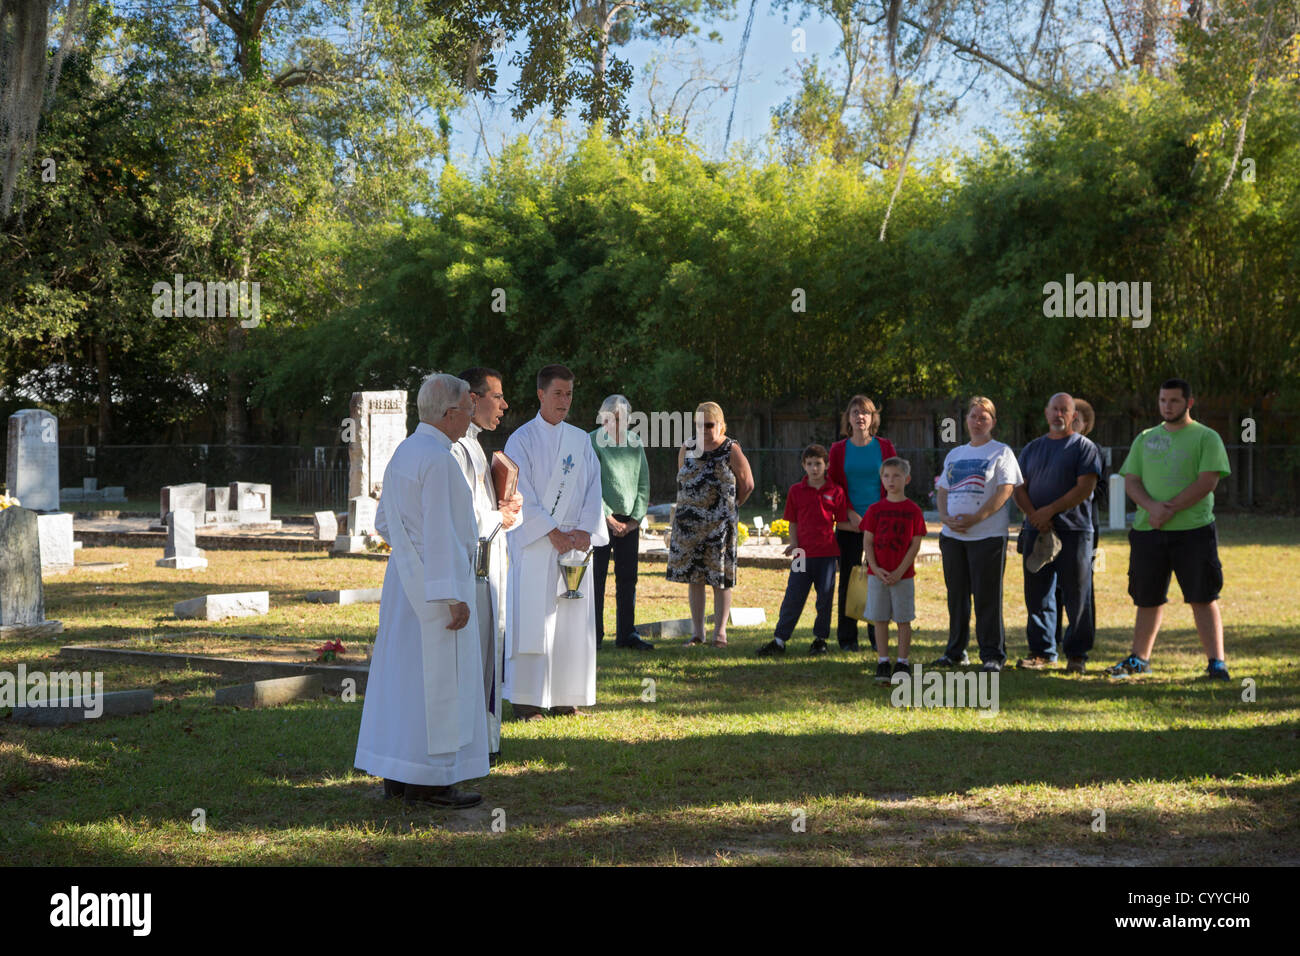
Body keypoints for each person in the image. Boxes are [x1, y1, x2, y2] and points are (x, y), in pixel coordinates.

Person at [354, 373, 487, 808]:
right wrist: (453, 596)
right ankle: (431, 781)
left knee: (405, 679)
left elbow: (383, 523)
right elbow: (443, 533)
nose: (471, 416)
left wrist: (411, 561)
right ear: (449, 413)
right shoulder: (440, 461)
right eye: (468, 408)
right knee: (438, 680)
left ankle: (399, 773)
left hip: (404, 584)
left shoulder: (405, 452)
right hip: (438, 588)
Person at [1107, 379, 1232, 680]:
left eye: (1174, 401)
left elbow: (1208, 481)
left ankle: (1216, 662)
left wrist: (1169, 508)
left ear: (1189, 403)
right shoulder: (1145, 438)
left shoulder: (1206, 437)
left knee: (1203, 595)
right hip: (1148, 531)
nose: (1167, 406)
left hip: (1193, 531)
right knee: (1147, 597)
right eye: (1163, 400)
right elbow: (1131, 480)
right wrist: (1152, 508)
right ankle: (1140, 658)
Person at [503, 365, 608, 718]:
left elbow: (594, 488)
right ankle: (527, 699)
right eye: (558, 393)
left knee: (571, 622)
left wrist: (585, 530)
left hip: (574, 545)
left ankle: (566, 697)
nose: (565, 400)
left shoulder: (580, 440)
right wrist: (552, 532)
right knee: (535, 620)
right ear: (541, 394)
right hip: (538, 543)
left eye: (569, 394)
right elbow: (519, 493)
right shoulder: (521, 439)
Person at [451, 367, 524, 763]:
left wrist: (506, 505)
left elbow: (484, 508)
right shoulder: (456, 449)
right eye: (497, 396)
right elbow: (463, 519)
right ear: (473, 398)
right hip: (472, 570)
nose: (504, 404)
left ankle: (485, 739)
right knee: (476, 656)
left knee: (487, 653)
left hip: (488, 566)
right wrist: (500, 516)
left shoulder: (475, 445)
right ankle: (477, 741)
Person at [1012, 393, 1103, 674]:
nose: (1059, 414)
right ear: (1046, 412)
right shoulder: (1031, 449)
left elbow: (1085, 487)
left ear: (1074, 415)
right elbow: (1018, 487)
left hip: (1074, 530)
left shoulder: (1084, 448)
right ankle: (1041, 652)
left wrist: (1049, 511)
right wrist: (1034, 516)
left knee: (1078, 595)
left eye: (1065, 410)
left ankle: (1076, 655)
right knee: (1037, 594)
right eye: (1054, 409)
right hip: (1036, 531)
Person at [931, 397, 1023, 672]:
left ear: (993, 422)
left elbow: (1006, 489)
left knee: (987, 598)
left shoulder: (1001, 452)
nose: (977, 421)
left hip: (987, 537)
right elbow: (943, 490)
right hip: (953, 538)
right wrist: (944, 517)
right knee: (956, 597)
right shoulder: (955, 454)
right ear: (966, 420)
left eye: (984, 417)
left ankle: (993, 655)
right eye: (973, 416)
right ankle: (955, 652)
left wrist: (977, 517)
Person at [666, 401, 754, 647]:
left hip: (720, 528)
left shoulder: (731, 449)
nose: (703, 430)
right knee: (694, 578)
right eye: (699, 425)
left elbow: (747, 484)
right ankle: (698, 633)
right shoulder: (687, 447)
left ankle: (720, 634)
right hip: (689, 527)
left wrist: (731, 506)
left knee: (720, 580)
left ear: (721, 425)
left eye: (709, 425)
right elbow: (683, 479)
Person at [756, 444, 846, 656]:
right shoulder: (796, 491)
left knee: (824, 599)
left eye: (818, 464)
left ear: (826, 465)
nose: (814, 468)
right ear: (803, 465)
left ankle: (820, 640)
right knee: (793, 596)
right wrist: (794, 543)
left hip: (826, 554)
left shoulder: (836, 491)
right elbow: (793, 521)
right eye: (810, 464)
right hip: (801, 554)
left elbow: (842, 522)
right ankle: (779, 640)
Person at [828, 396, 898, 651]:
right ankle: (847, 639)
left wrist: (877, 516)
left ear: (873, 418)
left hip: (881, 525)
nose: (860, 416)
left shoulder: (885, 446)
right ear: (848, 418)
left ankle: (876, 637)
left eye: (865, 412)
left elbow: (894, 481)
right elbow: (833, 486)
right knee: (849, 581)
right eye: (855, 412)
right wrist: (848, 511)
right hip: (850, 525)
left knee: (878, 581)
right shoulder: (838, 449)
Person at [590, 394, 653, 650]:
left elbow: (643, 483)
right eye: (614, 418)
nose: (619, 423)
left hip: (629, 523)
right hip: (598, 518)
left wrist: (634, 520)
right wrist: (607, 517)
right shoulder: (591, 441)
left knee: (628, 579)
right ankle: (593, 635)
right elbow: (589, 483)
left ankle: (627, 635)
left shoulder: (635, 442)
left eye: (623, 418)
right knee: (596, 579)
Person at [863, 457, 928, 683]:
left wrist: (900, 570)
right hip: (878, 575)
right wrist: (875, 567)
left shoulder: (913, 510)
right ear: (881, 479)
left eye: (896, 476)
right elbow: (868, 541)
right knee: (879, 619)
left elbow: (915, 544)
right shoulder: (875, 510)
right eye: (886, 476)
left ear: (907, 479)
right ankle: (883, 661)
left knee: (903, 619)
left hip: (903, 576)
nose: (891, 480)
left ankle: (902, 662)